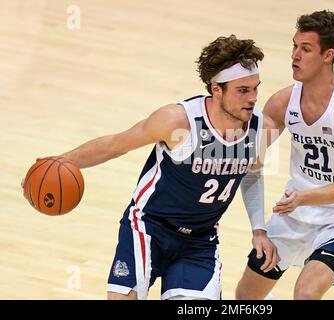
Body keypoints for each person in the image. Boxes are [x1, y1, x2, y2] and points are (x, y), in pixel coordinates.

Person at [26, 35, 278, 300]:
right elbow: (115, 145)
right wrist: (56, 163)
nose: (253, 98)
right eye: (243, 90)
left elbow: (252, 171)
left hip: (200, 241)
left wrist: (258, 230)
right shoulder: (177, 121)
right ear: (216, 89)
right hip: (149, 228)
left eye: (255, 88)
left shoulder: (262, 128)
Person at [235, 10, 334, 300]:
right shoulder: (284, 101)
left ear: (328, 55)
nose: (295, 55)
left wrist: (303, 197)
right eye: (294, 46)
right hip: (294, 212)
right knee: (245, 298)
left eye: (306, 49)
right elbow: (250, 158)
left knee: (305, 293)